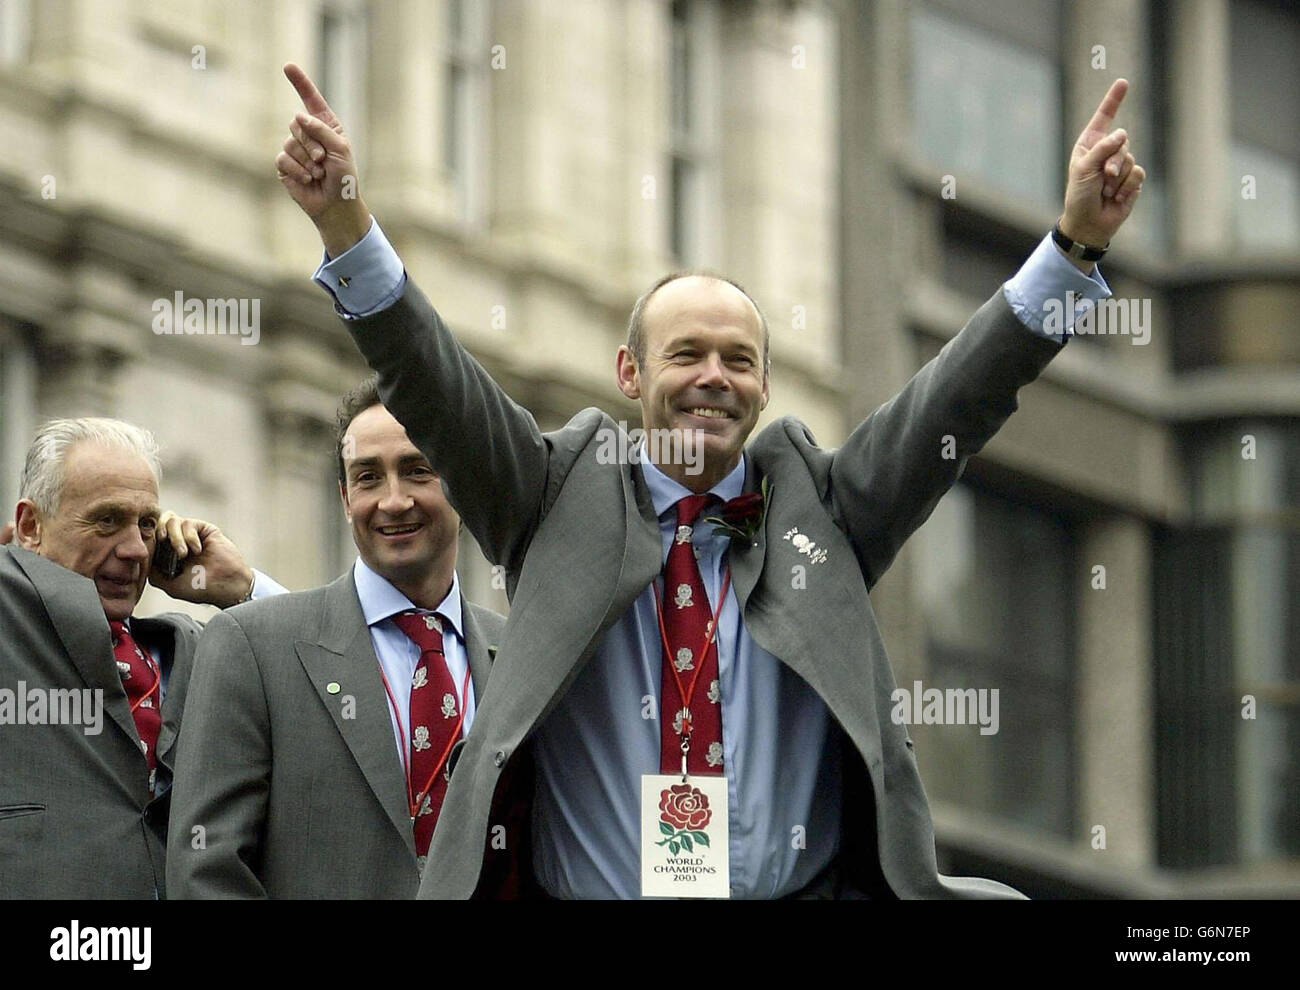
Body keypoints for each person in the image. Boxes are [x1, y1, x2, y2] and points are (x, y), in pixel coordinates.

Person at [276, 62, 1145, 899]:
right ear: (629, 372)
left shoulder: (826, 507)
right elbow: (435, 384)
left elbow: (957, 399)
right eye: (686, 353)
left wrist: (1073, 248)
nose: (713, 377)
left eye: (739, 360)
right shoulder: (550, 493)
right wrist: (346, 226)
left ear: (765, 388)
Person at [165, 380, 506, 898]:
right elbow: (207, 873)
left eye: (417, 469)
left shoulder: (519, 654)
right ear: (346, 498)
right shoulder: (250, 647)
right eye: (368, 477)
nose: (393, 501)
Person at [0, 417, 282, 898]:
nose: (135, 550)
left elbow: (331, 688)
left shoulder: (196, 651)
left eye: (147, 524)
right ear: (30, 526)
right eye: (107, 520)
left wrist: (241, 588)